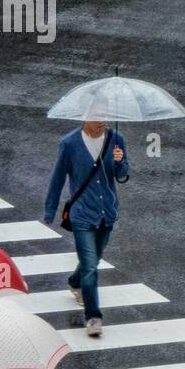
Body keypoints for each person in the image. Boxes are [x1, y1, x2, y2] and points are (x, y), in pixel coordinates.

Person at [43, 120, 130, 337]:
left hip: (107, 213)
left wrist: (120, 162)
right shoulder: (69, 143)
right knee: (90, 267)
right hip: (82, 214)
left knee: (94, 259)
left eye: (104, 115)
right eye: (95, 115)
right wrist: (49, 211)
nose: (101, 120)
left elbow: (122, 176)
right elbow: (57, 179)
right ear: (85, 117)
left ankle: (74, 281)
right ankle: (93, 317)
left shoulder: (116, 139)